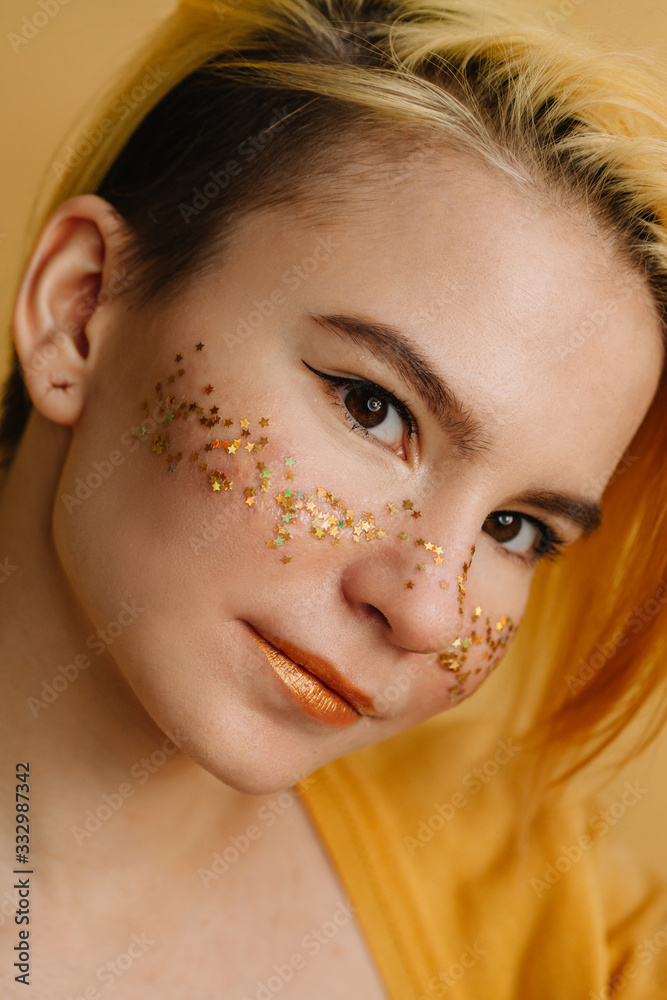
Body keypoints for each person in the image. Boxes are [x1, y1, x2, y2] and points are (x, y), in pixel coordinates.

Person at [1, 0, 667, 994]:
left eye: (515, 528)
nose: (425, 609)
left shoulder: (559, 936)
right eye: (372, 406)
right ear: (80, 308)